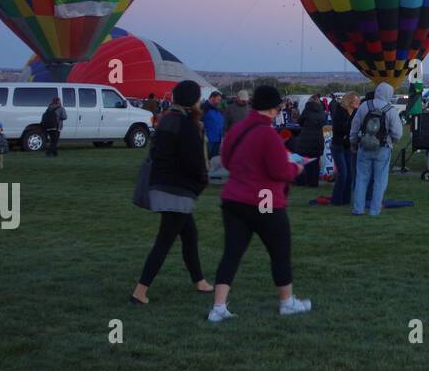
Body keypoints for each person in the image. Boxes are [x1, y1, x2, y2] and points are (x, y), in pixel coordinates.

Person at [209, 84, 311, 322]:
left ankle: (218, 307)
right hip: (265, 202)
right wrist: (296, 167)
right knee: (279, 251)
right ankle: (287, 302)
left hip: (233, 199)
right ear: (275, 109)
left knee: (232, 253)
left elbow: (226, 160)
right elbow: (279, 171)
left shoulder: (237, 130)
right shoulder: (268, 134)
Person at [132, 80, 212, 305]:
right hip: (177, 191)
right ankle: (140, 291)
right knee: (164, 242)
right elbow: (193, 161)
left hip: (163, 186)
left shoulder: (167, 119)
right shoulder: (187, 125)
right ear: (193, 100)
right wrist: (200, 183)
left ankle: (199, 281)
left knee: (190, 235)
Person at [349, 82, 403, 216]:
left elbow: (354, 127)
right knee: (380, 180)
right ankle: (375, 210)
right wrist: (391, 141)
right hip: (383, 147)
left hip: (364, 147)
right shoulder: (390, 110)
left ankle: (358, 209)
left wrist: (354, 142)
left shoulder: (364, 106)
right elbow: (398, 133)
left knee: (361, 178)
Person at [329, 92, 360, 206]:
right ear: (350, 102)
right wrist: (349, 131)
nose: (358, 103)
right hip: (338, 145)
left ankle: (346, 200)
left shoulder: (356, 113)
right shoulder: (340, 112)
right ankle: (336, 200)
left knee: (350, 174)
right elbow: (338, 128)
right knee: (343, 173)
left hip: (348, 145)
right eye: (356, 101)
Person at [292, 96, 327, 188]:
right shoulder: (321, 112)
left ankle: (304, 181)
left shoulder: (307, 111)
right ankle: (314, 183)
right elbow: (324, 122)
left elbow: (300, 122)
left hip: (306, 139)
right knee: (315, 162)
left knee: (305, 161)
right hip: (318, 139)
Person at [202, 91, 225, 160]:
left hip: (217, 139)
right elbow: (199, 122)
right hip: (209, 140)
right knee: (206, 159)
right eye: (218, 100)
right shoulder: (204, 107)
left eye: (220, 100)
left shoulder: (216, 108)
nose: (219, 102)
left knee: (214, 160)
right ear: (212, 98)